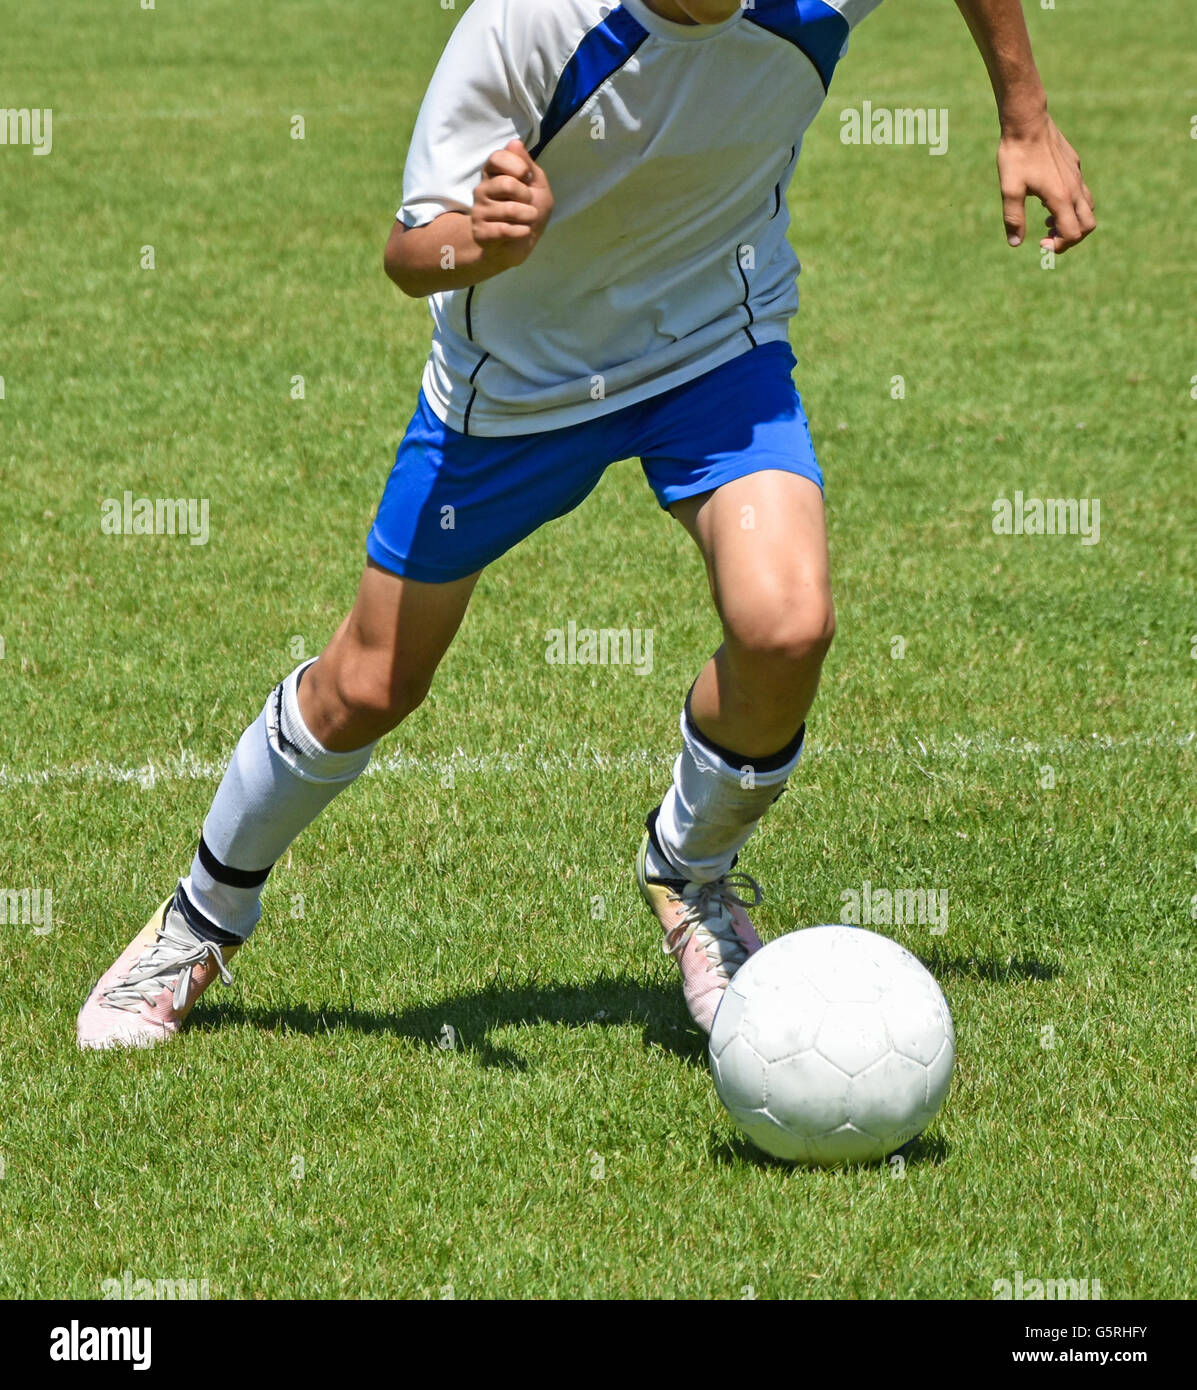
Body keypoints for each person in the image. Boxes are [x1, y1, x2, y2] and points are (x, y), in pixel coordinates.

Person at [78, 0, 1095, 1049]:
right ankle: (202, 916)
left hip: (713, 349)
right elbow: (406, 250)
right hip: (519, 390)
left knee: (785, 626)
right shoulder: (528, 24)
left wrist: (1025, 114)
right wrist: (481, 240)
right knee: (372, 681)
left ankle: (690, 871)